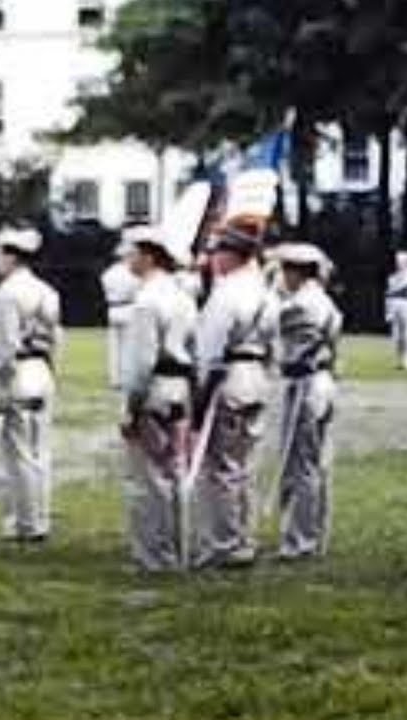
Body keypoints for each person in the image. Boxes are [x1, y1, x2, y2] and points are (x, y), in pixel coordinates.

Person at [190, 218, 279, 569]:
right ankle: (244, 537)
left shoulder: (227, 293)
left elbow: (210, 352)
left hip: (229, 378)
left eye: (217, 251)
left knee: (220, 467)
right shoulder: (266, 292)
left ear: (232, 254)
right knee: (244, 465)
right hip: (256, 376)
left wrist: (199, 405)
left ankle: (223, 543)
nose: (213, 258)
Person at [117, 225, 197, 572]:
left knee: (148, 479)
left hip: (153, 392)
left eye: (131, 252)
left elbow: (140, 363)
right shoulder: (182, 296)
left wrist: (130, 407)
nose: (126, 259)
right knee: (175, 472)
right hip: (179, 387)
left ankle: (154, 556)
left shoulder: (147, 301)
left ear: (148, 256)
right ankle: (177, 547)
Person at [0, 227, 62, 543]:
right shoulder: (47, 291)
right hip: (43, 369)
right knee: (40, 450)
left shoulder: (8, 292)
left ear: (10, 255)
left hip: (19, 370)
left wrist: (3, 386)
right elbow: (56, 335)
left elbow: (5, 344)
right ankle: (40, 519)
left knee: (18, 452)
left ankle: (25, 522)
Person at [273, 243, 341, 561]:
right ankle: (314, 534)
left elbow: (272, 328)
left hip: (304, 384)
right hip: (324, 381)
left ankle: (300, 540)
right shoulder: (324, 300)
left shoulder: (298, 305)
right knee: (317, 463)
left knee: (301, 465)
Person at [101, 235, 142, 387]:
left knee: (114, 347)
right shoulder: (132, 274)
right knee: (128, 346)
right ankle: (126, 377)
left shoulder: (108, 273)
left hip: (113, 308)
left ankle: (115, 379)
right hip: (129, 308)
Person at [384, 251, 407, 371]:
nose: (399, 264)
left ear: (406, 262)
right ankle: (400, 360)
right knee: (397, 337)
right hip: (396, 309)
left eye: (401, 261)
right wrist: (388, 312)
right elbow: (389, 296)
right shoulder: (392, 278)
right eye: (397, 262)